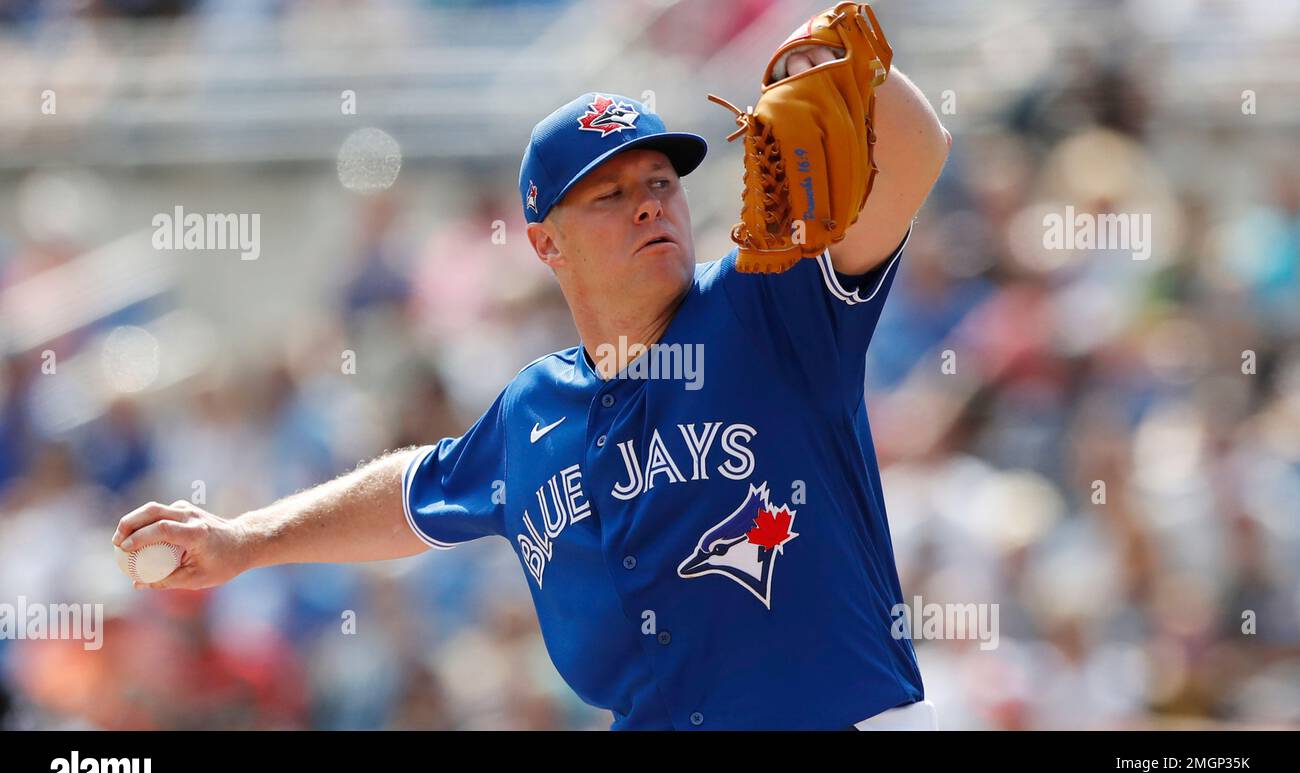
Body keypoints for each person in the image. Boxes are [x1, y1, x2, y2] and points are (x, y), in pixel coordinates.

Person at [113, 41, 951, 730]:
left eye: (661, 182)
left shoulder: (770, 302)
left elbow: (917, 156)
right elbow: (412, 493)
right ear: (545, 244)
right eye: (611, 194)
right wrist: (247, 540)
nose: (650, 205)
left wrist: (851, 66)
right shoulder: (533, 410)